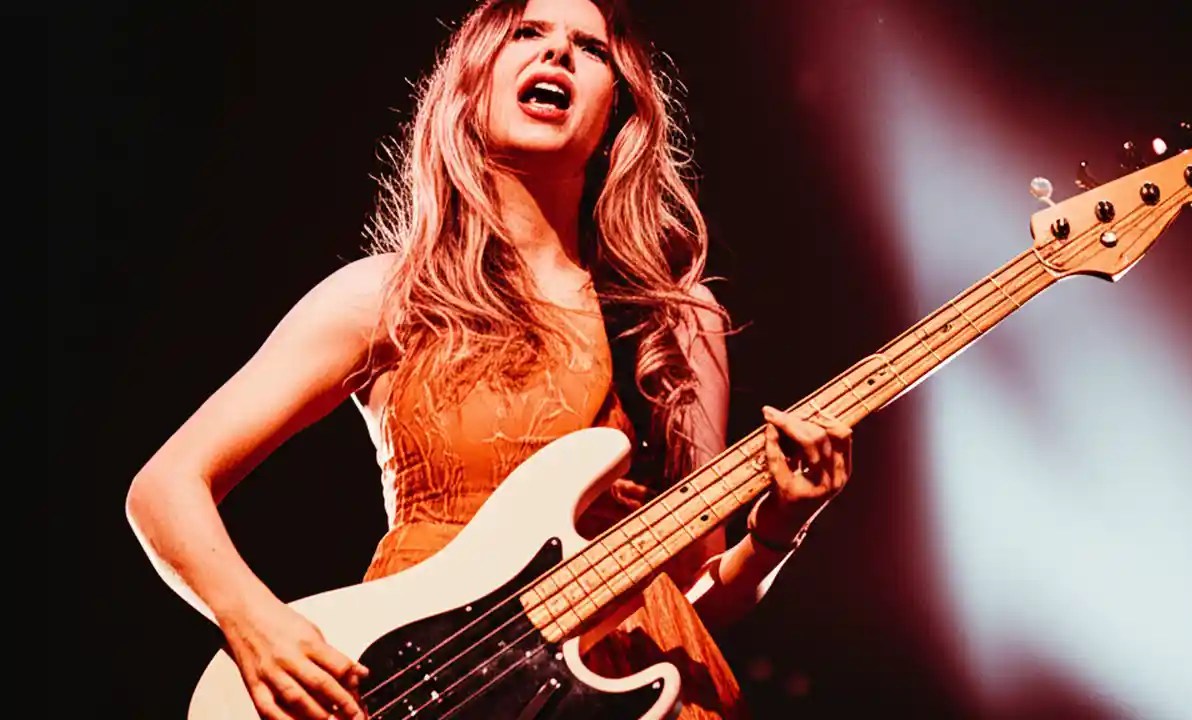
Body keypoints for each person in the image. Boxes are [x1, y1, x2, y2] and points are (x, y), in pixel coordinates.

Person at [124, 0, 852, 718]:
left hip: (633, 685)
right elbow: (167, 486)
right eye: (527, 33)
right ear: (474, 80)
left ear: (617, 114)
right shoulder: (389, 295)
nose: (557, 53)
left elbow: (698, 592)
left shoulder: (673, 320)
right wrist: (257, 626)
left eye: (589, 47)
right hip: (437, 685)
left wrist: (781, 527)